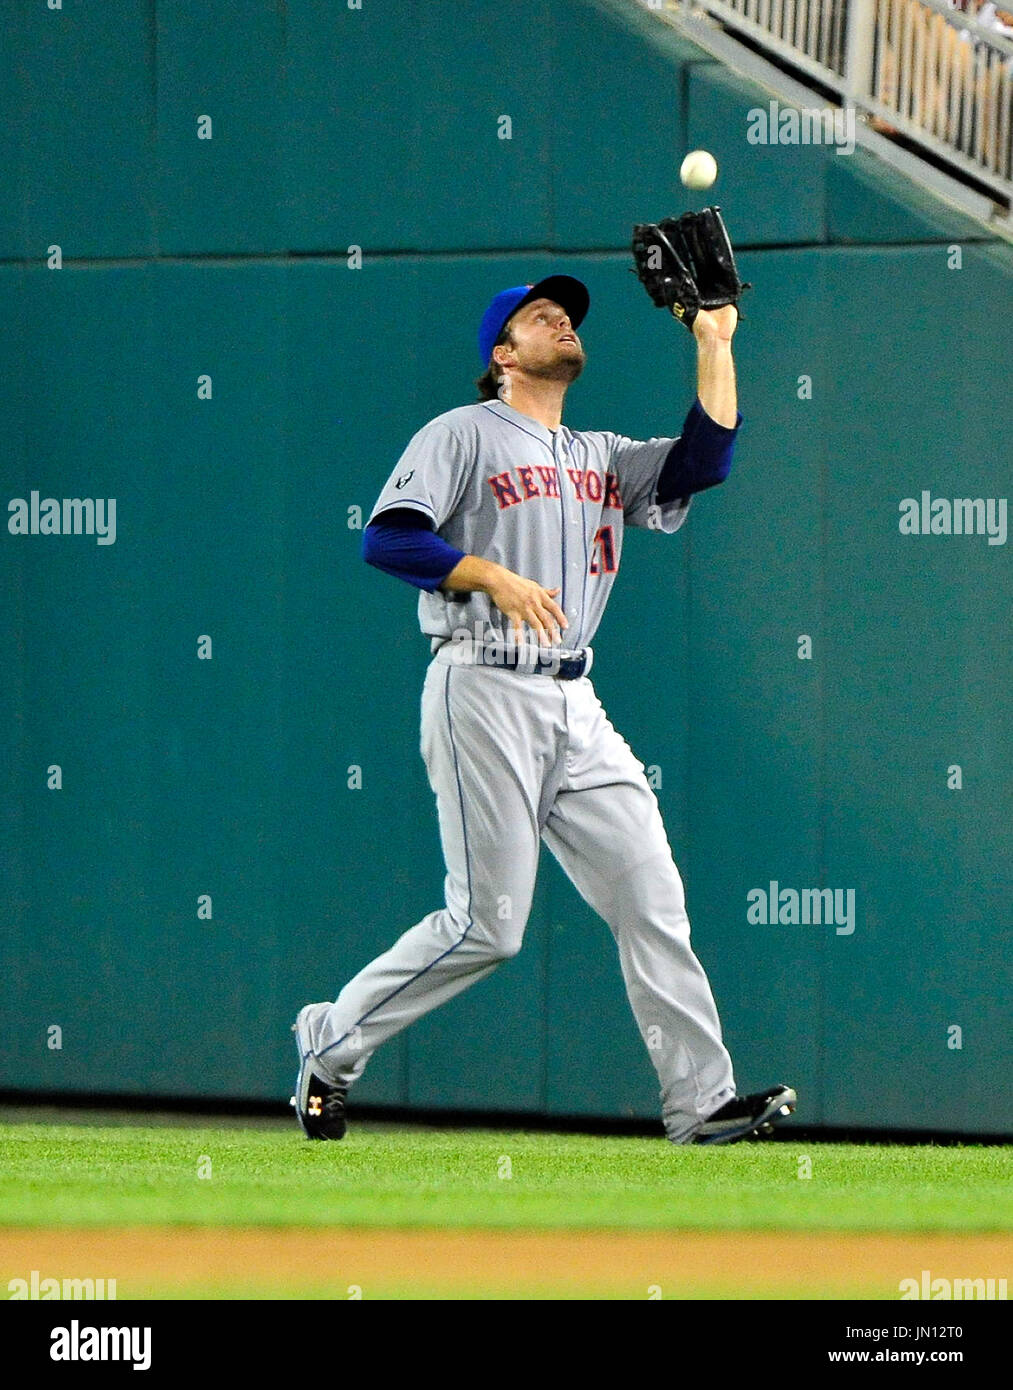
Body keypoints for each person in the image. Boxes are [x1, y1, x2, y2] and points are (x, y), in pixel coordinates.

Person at [292, 274, 796, 1145]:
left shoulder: (599, 452)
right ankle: (329, 1044)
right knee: (488, 927)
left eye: (566, 316)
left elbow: (702, 459)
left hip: (576, 700)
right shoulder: (462, 431)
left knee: (651, 895)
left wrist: (714, 341)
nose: (562, 322)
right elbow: (388, 535)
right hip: (480, 683)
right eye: (539, 317)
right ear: (501, 355)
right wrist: (489, 573)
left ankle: (700, 1102)